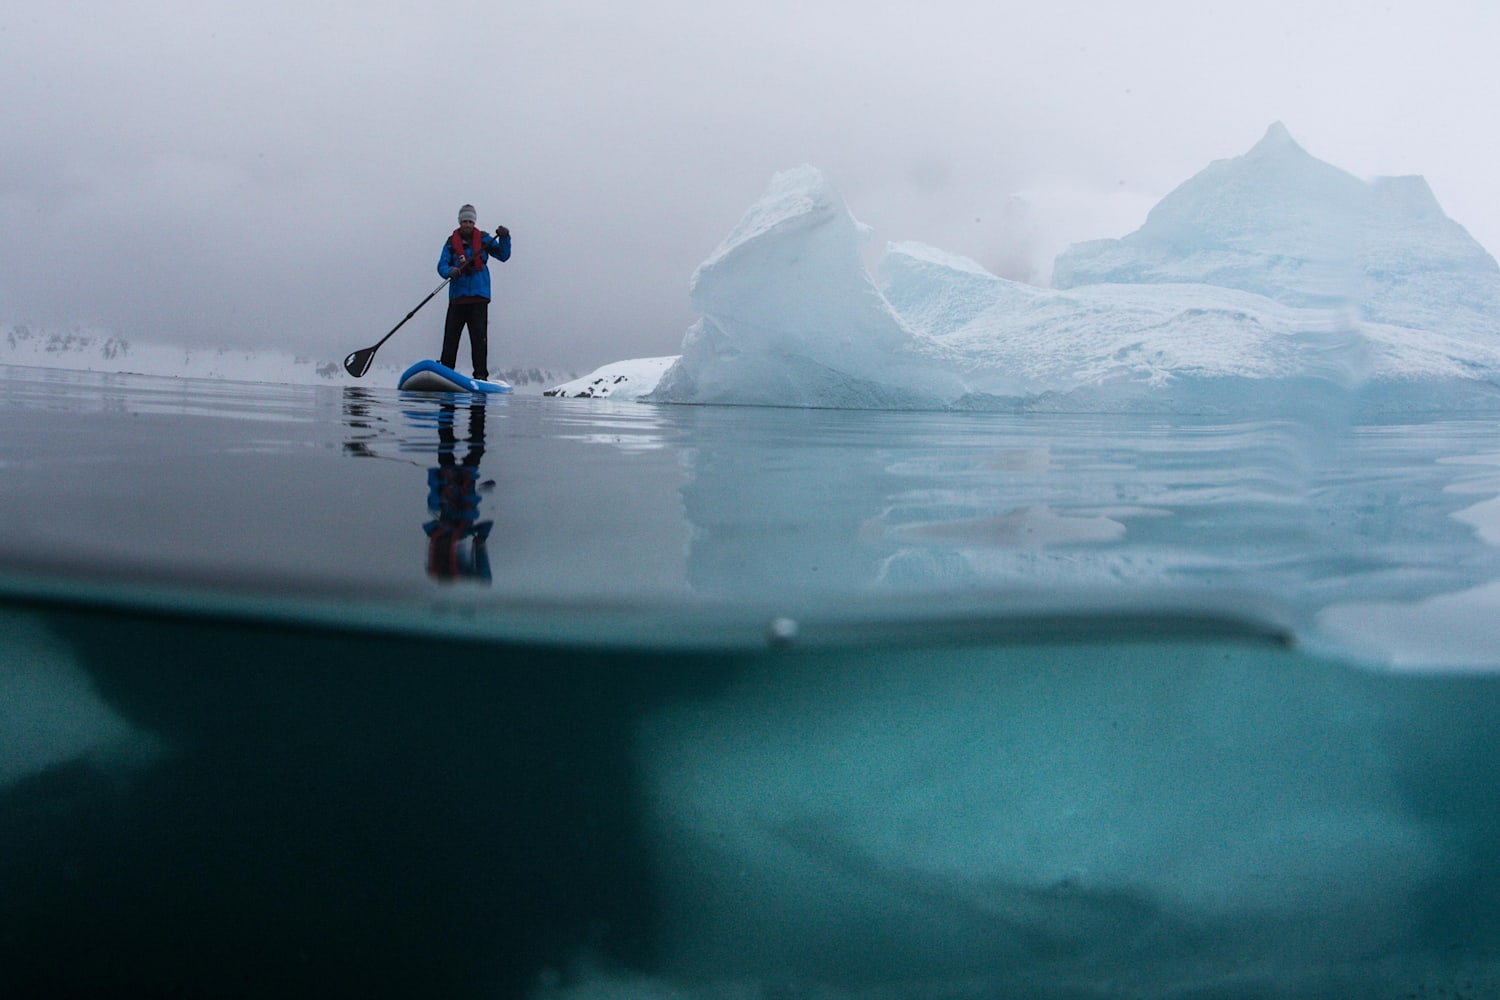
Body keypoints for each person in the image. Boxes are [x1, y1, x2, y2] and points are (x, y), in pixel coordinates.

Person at [437, 204, 511, 380]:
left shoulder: (485, 239)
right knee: (450, 339)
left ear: (474, 222)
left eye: (470, 221)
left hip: (479, 298)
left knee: (479, 340)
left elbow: (503, 255)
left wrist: (505, 237)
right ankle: (446, 374)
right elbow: (442, 265)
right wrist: (450, 271)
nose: (467, 224)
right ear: (460, 222)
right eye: (464, 221)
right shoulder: (450, 243)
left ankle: (480, 376)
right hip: (458, 298)